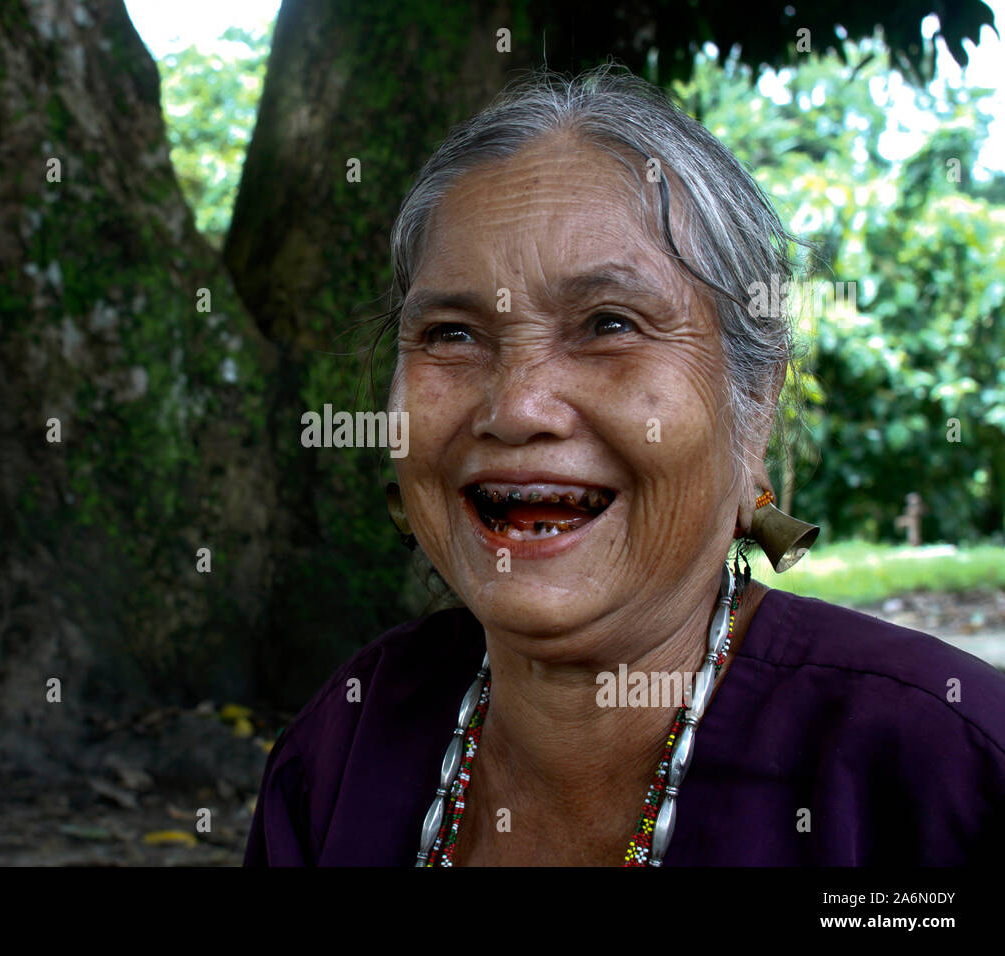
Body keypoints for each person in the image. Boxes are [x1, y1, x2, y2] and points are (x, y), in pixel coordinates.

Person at [243, 68, 1005, 866]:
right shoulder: (341, 753)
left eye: (610, 323)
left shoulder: (944, 771)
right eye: (452, 334)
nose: (517, 408)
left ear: (754, 410)